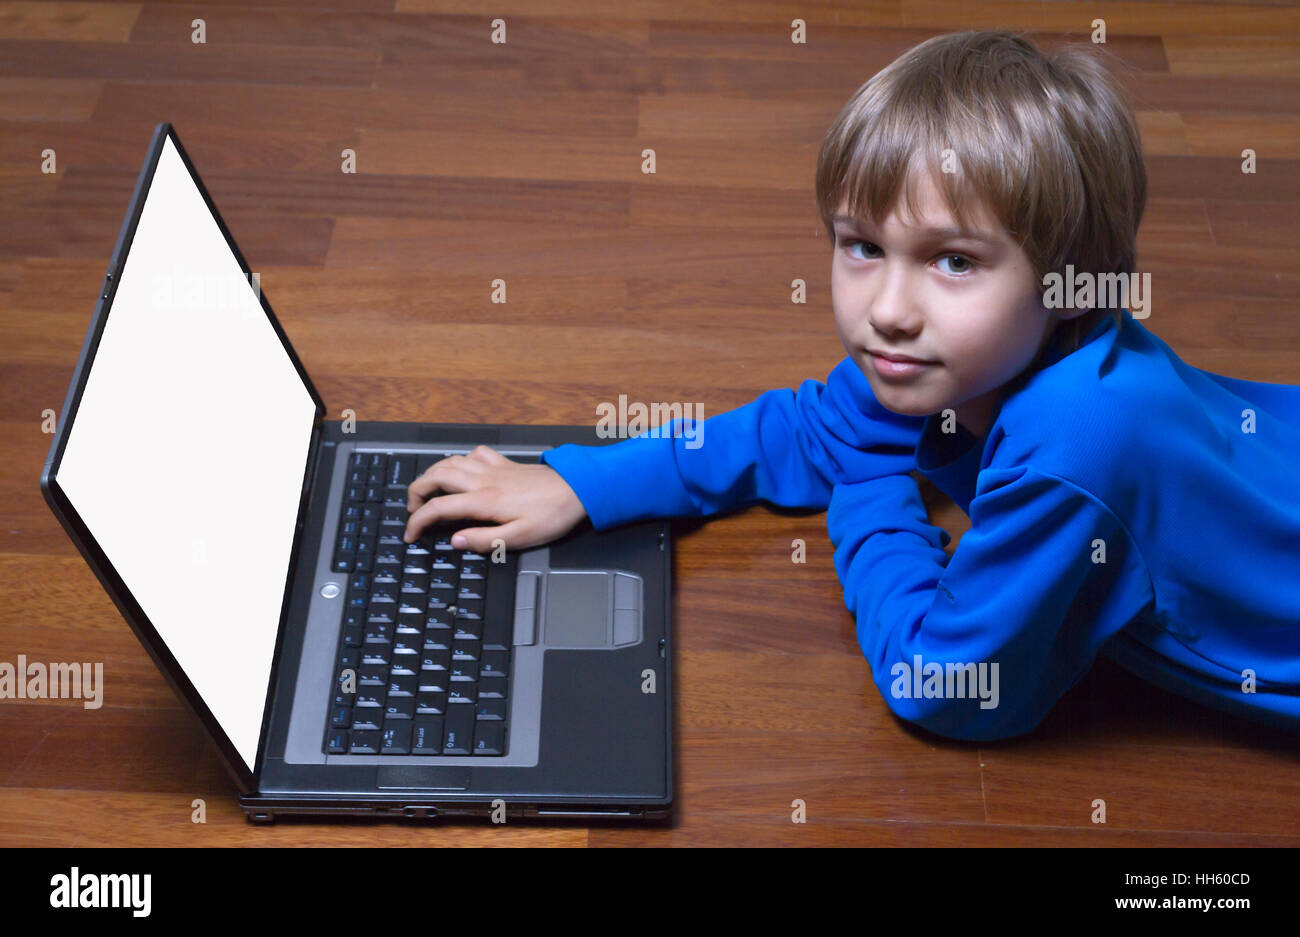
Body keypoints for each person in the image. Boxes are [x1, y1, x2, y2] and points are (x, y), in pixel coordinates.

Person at [403, 30, 1300, 740]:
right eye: (862, 246)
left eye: (954, 261)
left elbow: (947, 688)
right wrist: (585, 481)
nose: (889, 310)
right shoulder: (970, 348)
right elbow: (807, 430)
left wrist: (871, 494)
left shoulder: (1081, 440)